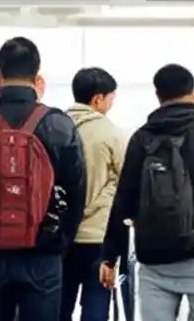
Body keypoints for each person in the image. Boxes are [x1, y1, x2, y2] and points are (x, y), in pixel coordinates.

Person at [0, 37, 88, 321]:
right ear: (38, 78)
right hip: (42, 254)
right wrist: (61, 242)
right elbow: (77, 192)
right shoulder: (59, 124)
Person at [99, 64, 194, 321]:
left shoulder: (141, 139)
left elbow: (124, 200)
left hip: (154, 258)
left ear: (158, 96)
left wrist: (110, 255)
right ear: (193, 94)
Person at [63, 68, 127, 321]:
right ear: (97, 99)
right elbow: (127, 184)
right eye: (111, 96)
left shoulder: (56, 126)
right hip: (99, 236)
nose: (112, 102)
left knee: (60, 306)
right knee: (96, 307)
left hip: (61, 236)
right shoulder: (111, 133)